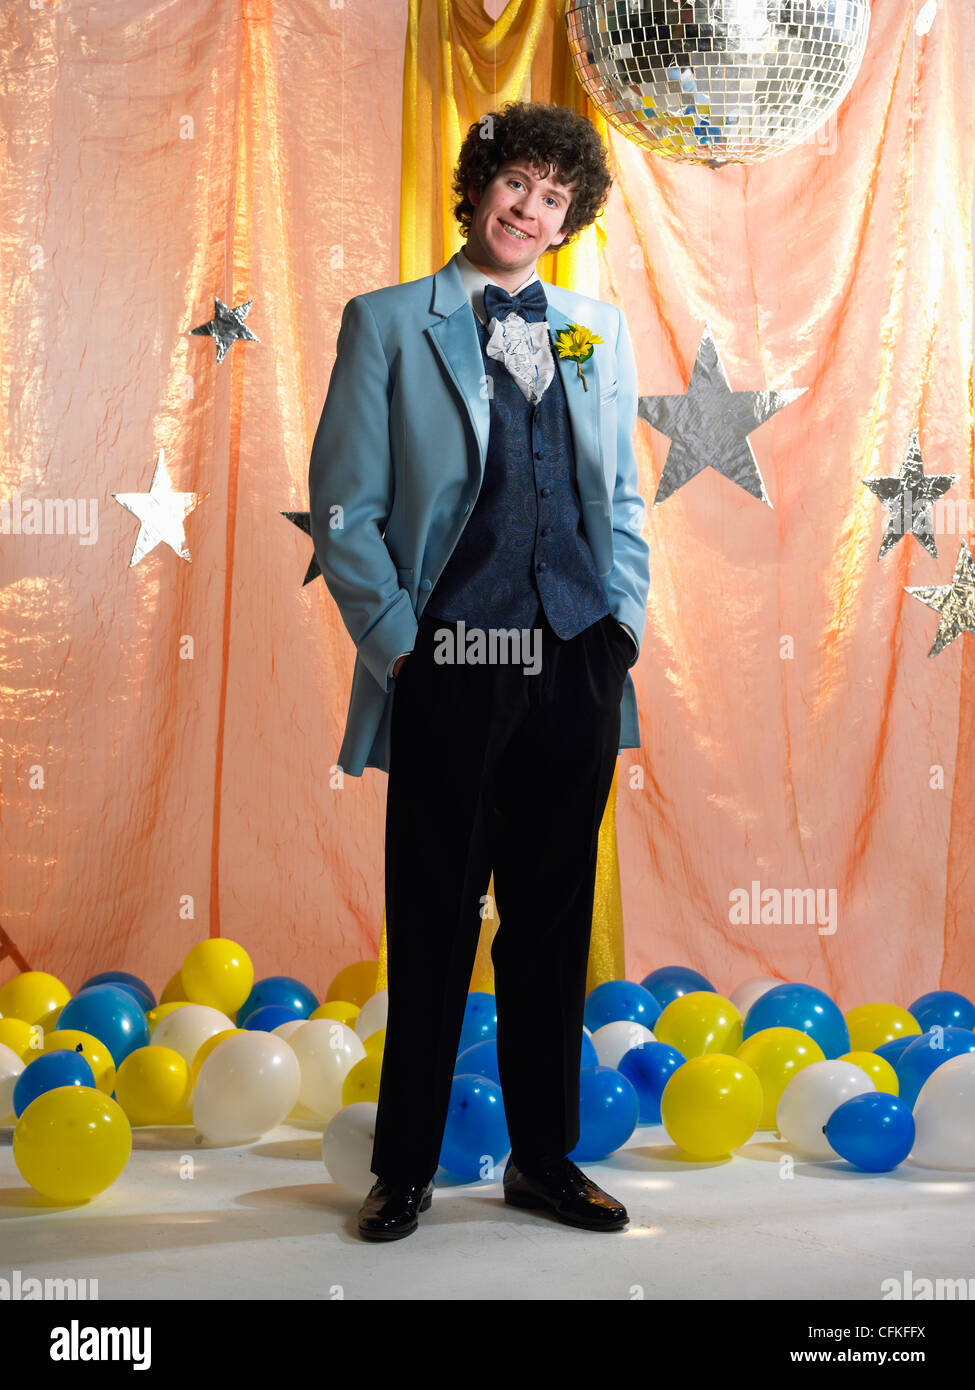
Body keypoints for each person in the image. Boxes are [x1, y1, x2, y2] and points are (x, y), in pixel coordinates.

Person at [308, 100, 651, 1241]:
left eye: (556, 196)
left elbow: (620, 497)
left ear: (569, 218)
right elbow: (347, 507)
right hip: (453, 655)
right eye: (517, 183)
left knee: (551, 922)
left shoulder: (594, 330)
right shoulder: (391, 321)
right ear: (479, 187)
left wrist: (624, 627)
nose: (531, 208)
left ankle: (544, 1162)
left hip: (577, 654)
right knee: (437, 916)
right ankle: (403, 1167)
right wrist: (403, 641)